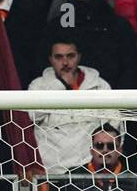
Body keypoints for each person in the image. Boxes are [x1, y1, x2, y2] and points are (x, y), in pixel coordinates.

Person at [26, 38, 117, 175]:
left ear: (79, 57)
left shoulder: (99, 85)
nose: (65, 62)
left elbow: (114, 126)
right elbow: (29, 117)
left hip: (90, 171)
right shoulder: (38, 86)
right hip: (51, 172)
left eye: (70, 56)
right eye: (58, 57)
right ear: (50, 59)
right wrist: (59, 87)